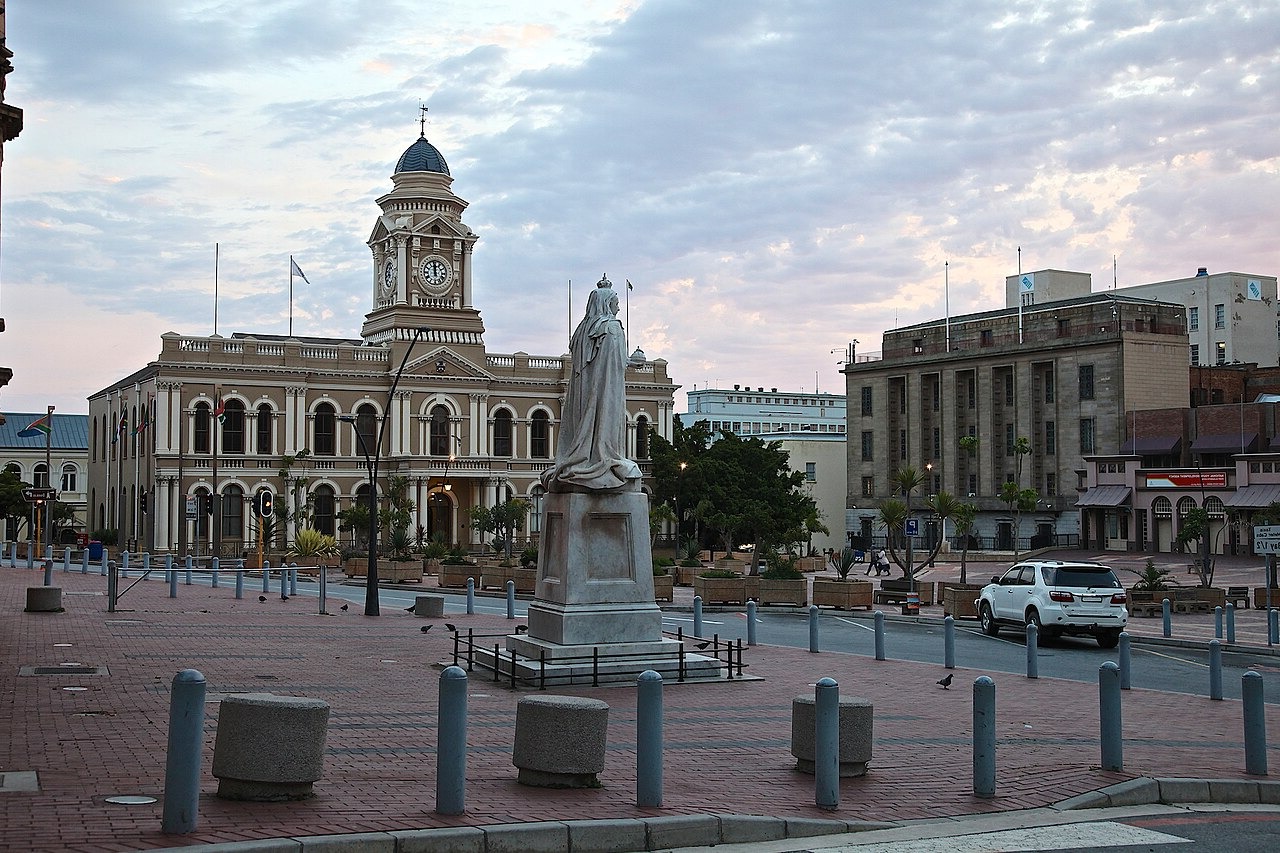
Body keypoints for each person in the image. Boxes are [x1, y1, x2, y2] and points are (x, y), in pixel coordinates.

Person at [540, 274, 642, 493]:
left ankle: (585, 457)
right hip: (607, 392)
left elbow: (606, 360)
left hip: (584, 394)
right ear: (607, 304)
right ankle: (604, 457)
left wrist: (627, 361)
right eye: (616, 304)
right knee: (607, 424)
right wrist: (630, 362)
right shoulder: (611, 328)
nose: (618, 309)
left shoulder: (581, 331)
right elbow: (614, 364)